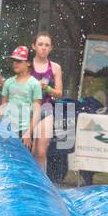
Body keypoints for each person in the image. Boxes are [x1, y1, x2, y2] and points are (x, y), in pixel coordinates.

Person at [0, 45, 43, 154]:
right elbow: (3, 106)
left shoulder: (34, 84)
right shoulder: (8, 82)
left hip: (23, 131)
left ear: (28, 63)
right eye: (14, 61)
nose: (15, 63)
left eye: (19, 61)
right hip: (7, 128)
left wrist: (28, 132)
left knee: (21, 162)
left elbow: (37, 111)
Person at [30, 32, 64, 167]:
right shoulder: (26, 65)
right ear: (33, 46)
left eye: (47, 45)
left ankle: (42, 181)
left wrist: (47, 88)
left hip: (46, 109)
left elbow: (59, 93)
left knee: (41, 151)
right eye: (40, 44)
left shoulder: (55, 67)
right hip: (27, 109)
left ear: (51, 48)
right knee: (29, 150)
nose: (43, 48)